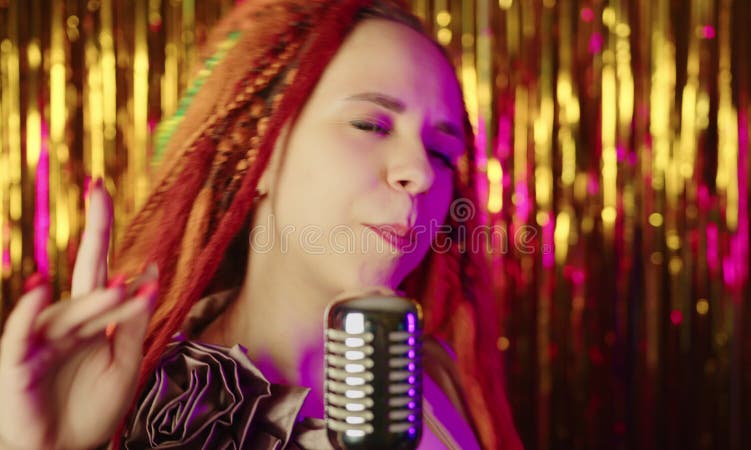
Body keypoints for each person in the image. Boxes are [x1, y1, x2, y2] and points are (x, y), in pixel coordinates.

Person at [0, 1, 523, 448]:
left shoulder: (441, 380)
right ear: (263, 153)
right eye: (369, 124)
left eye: (441, 150)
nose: (421, 174)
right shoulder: (142, 404)